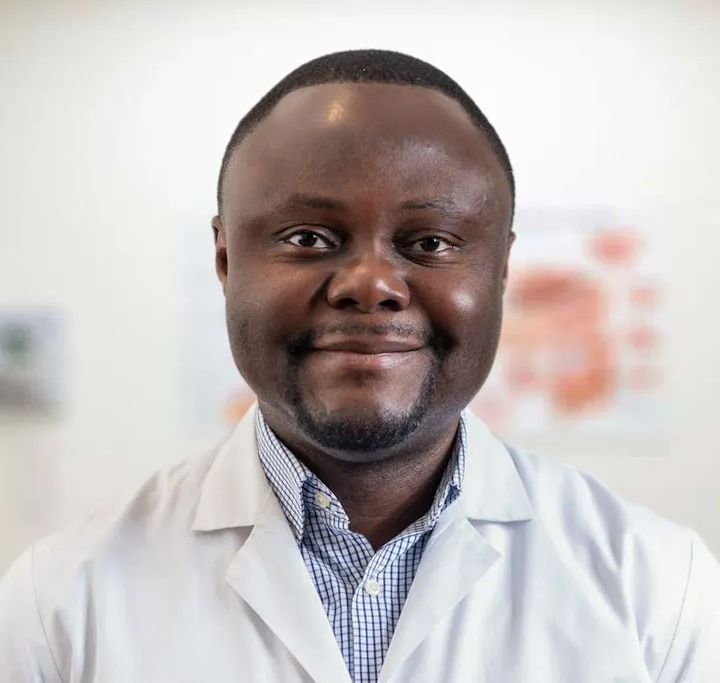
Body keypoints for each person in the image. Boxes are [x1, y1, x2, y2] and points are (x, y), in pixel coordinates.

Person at [1, 49, 718, 683]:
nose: (370, 284)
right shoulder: (60, 602)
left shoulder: (660, 588)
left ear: (501, 268)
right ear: (224, 259)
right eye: (308, 238)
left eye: (431, 242)